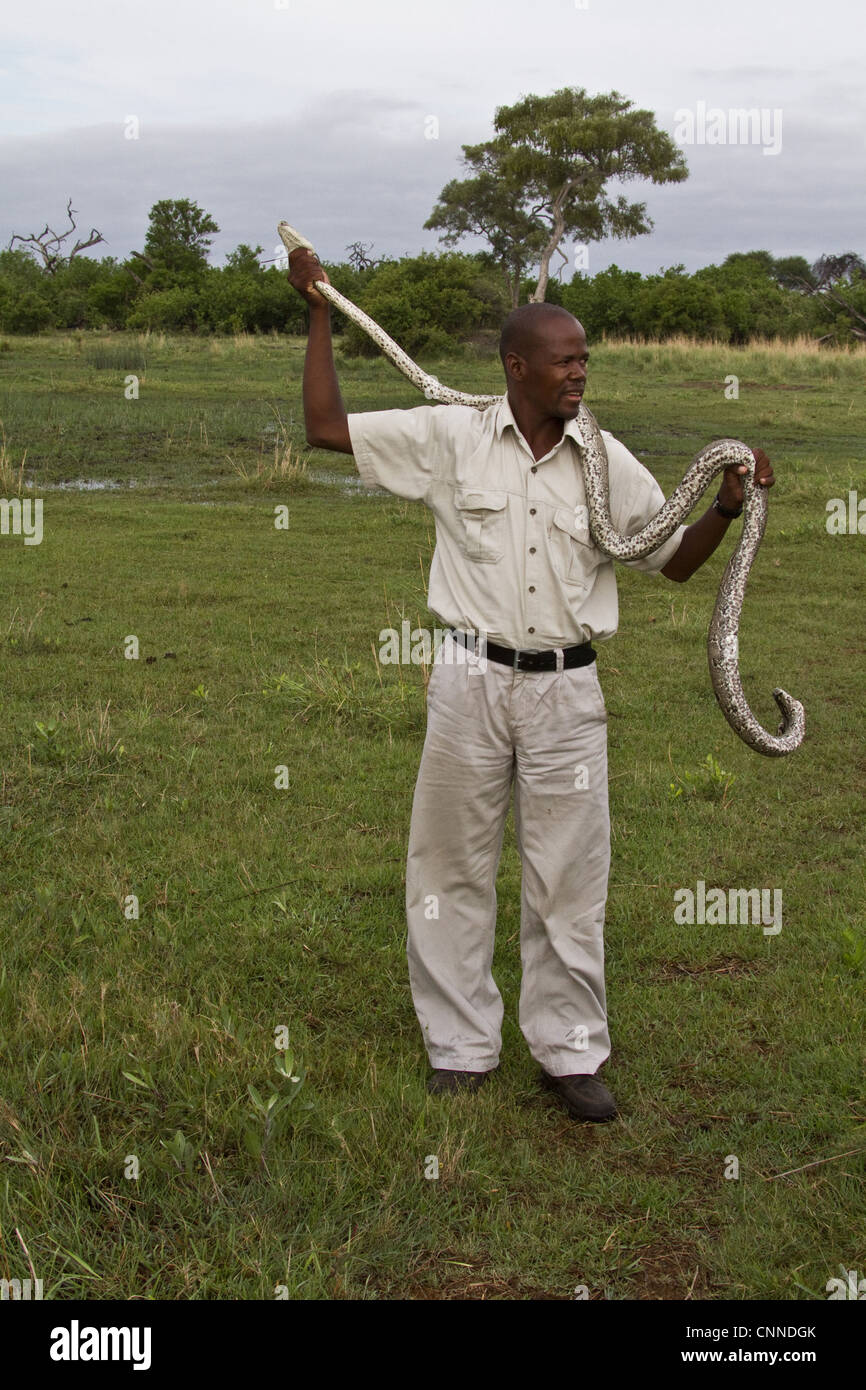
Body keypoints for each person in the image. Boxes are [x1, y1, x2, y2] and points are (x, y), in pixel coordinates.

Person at [288, 248, 774, 1122]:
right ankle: (460, 1049)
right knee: (448, 866)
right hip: (469, 681)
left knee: (570, 877)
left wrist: (727, 508)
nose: (581, 371)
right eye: (566, 358)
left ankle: (569, 1054)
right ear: (518, 368)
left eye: (585, 356)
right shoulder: (452, 438)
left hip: (567, 694)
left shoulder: (607, 459)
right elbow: (327, 428)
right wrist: (319, 309)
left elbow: (667, 563)